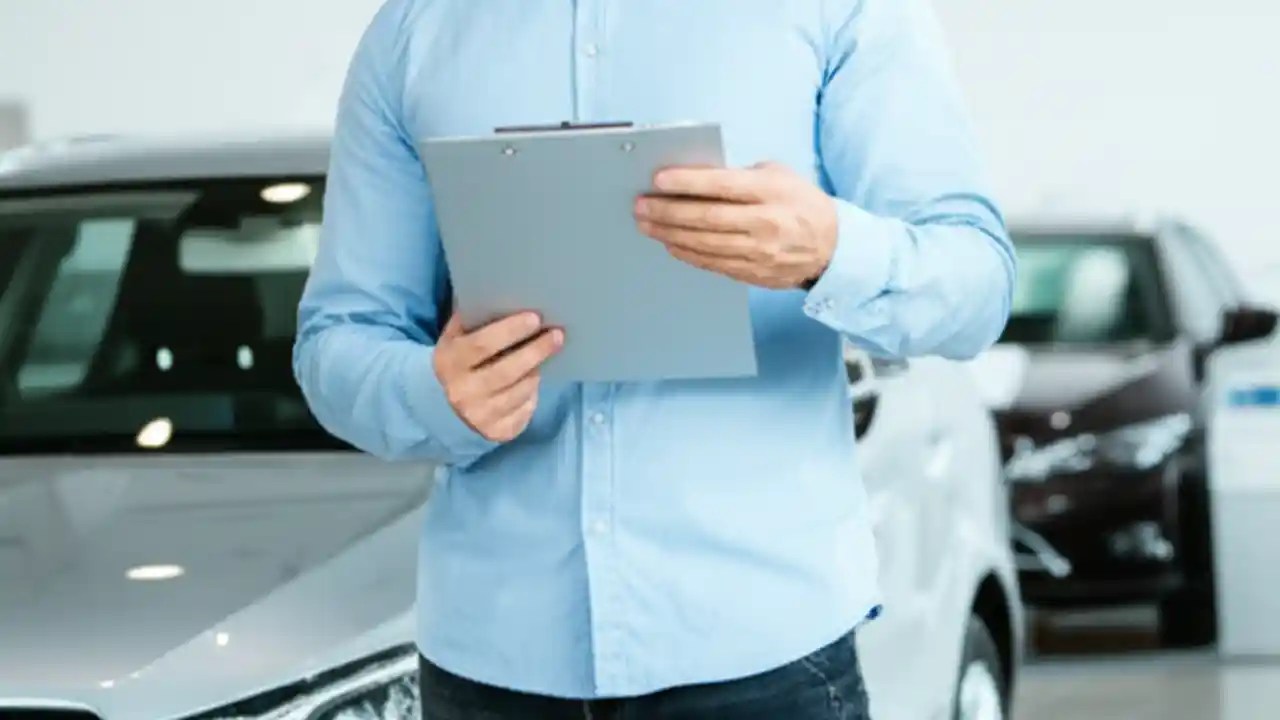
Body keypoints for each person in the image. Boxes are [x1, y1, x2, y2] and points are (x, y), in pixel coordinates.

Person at [293, 0, 1015, 717]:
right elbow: (339, 336)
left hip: (765, 654)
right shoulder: (416, 30)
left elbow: (977, 287)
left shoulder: (838, 11)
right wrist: (429, 394)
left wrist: (831, 250)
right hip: (493, 662)